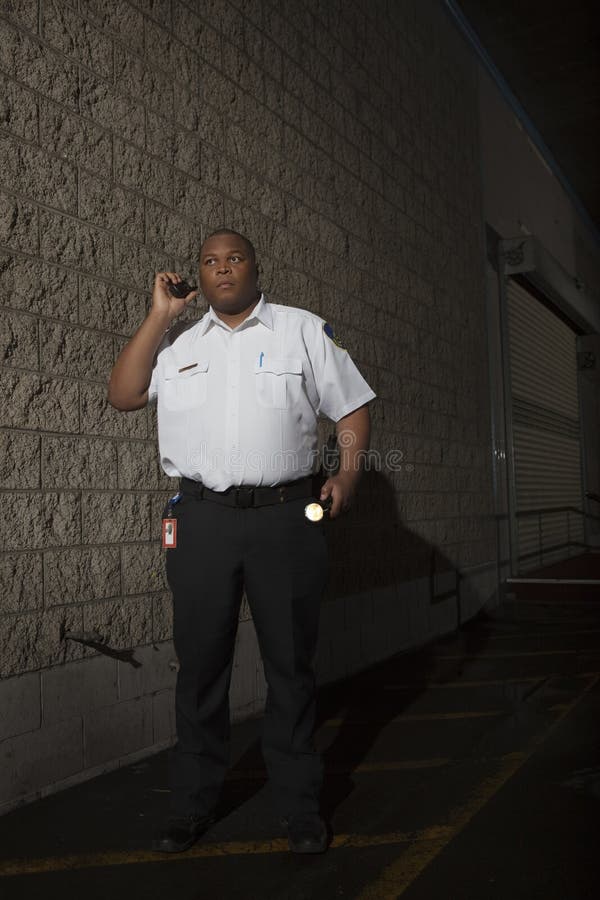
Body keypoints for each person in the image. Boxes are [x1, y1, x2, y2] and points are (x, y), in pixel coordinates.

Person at [108, 228, 375, 854]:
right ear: (197, 278)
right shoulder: (178, 346)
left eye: (234, 258)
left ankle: (300, 809)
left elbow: (353, 406)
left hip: (287, 517)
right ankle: (192, 804)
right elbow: (122, 395)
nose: (222, 268)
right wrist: (157, 317)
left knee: (290, 666)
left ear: (255, 267)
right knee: (200, 667)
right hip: (203, 521)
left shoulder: (301, 331)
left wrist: (349, 474)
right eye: (210, 261)